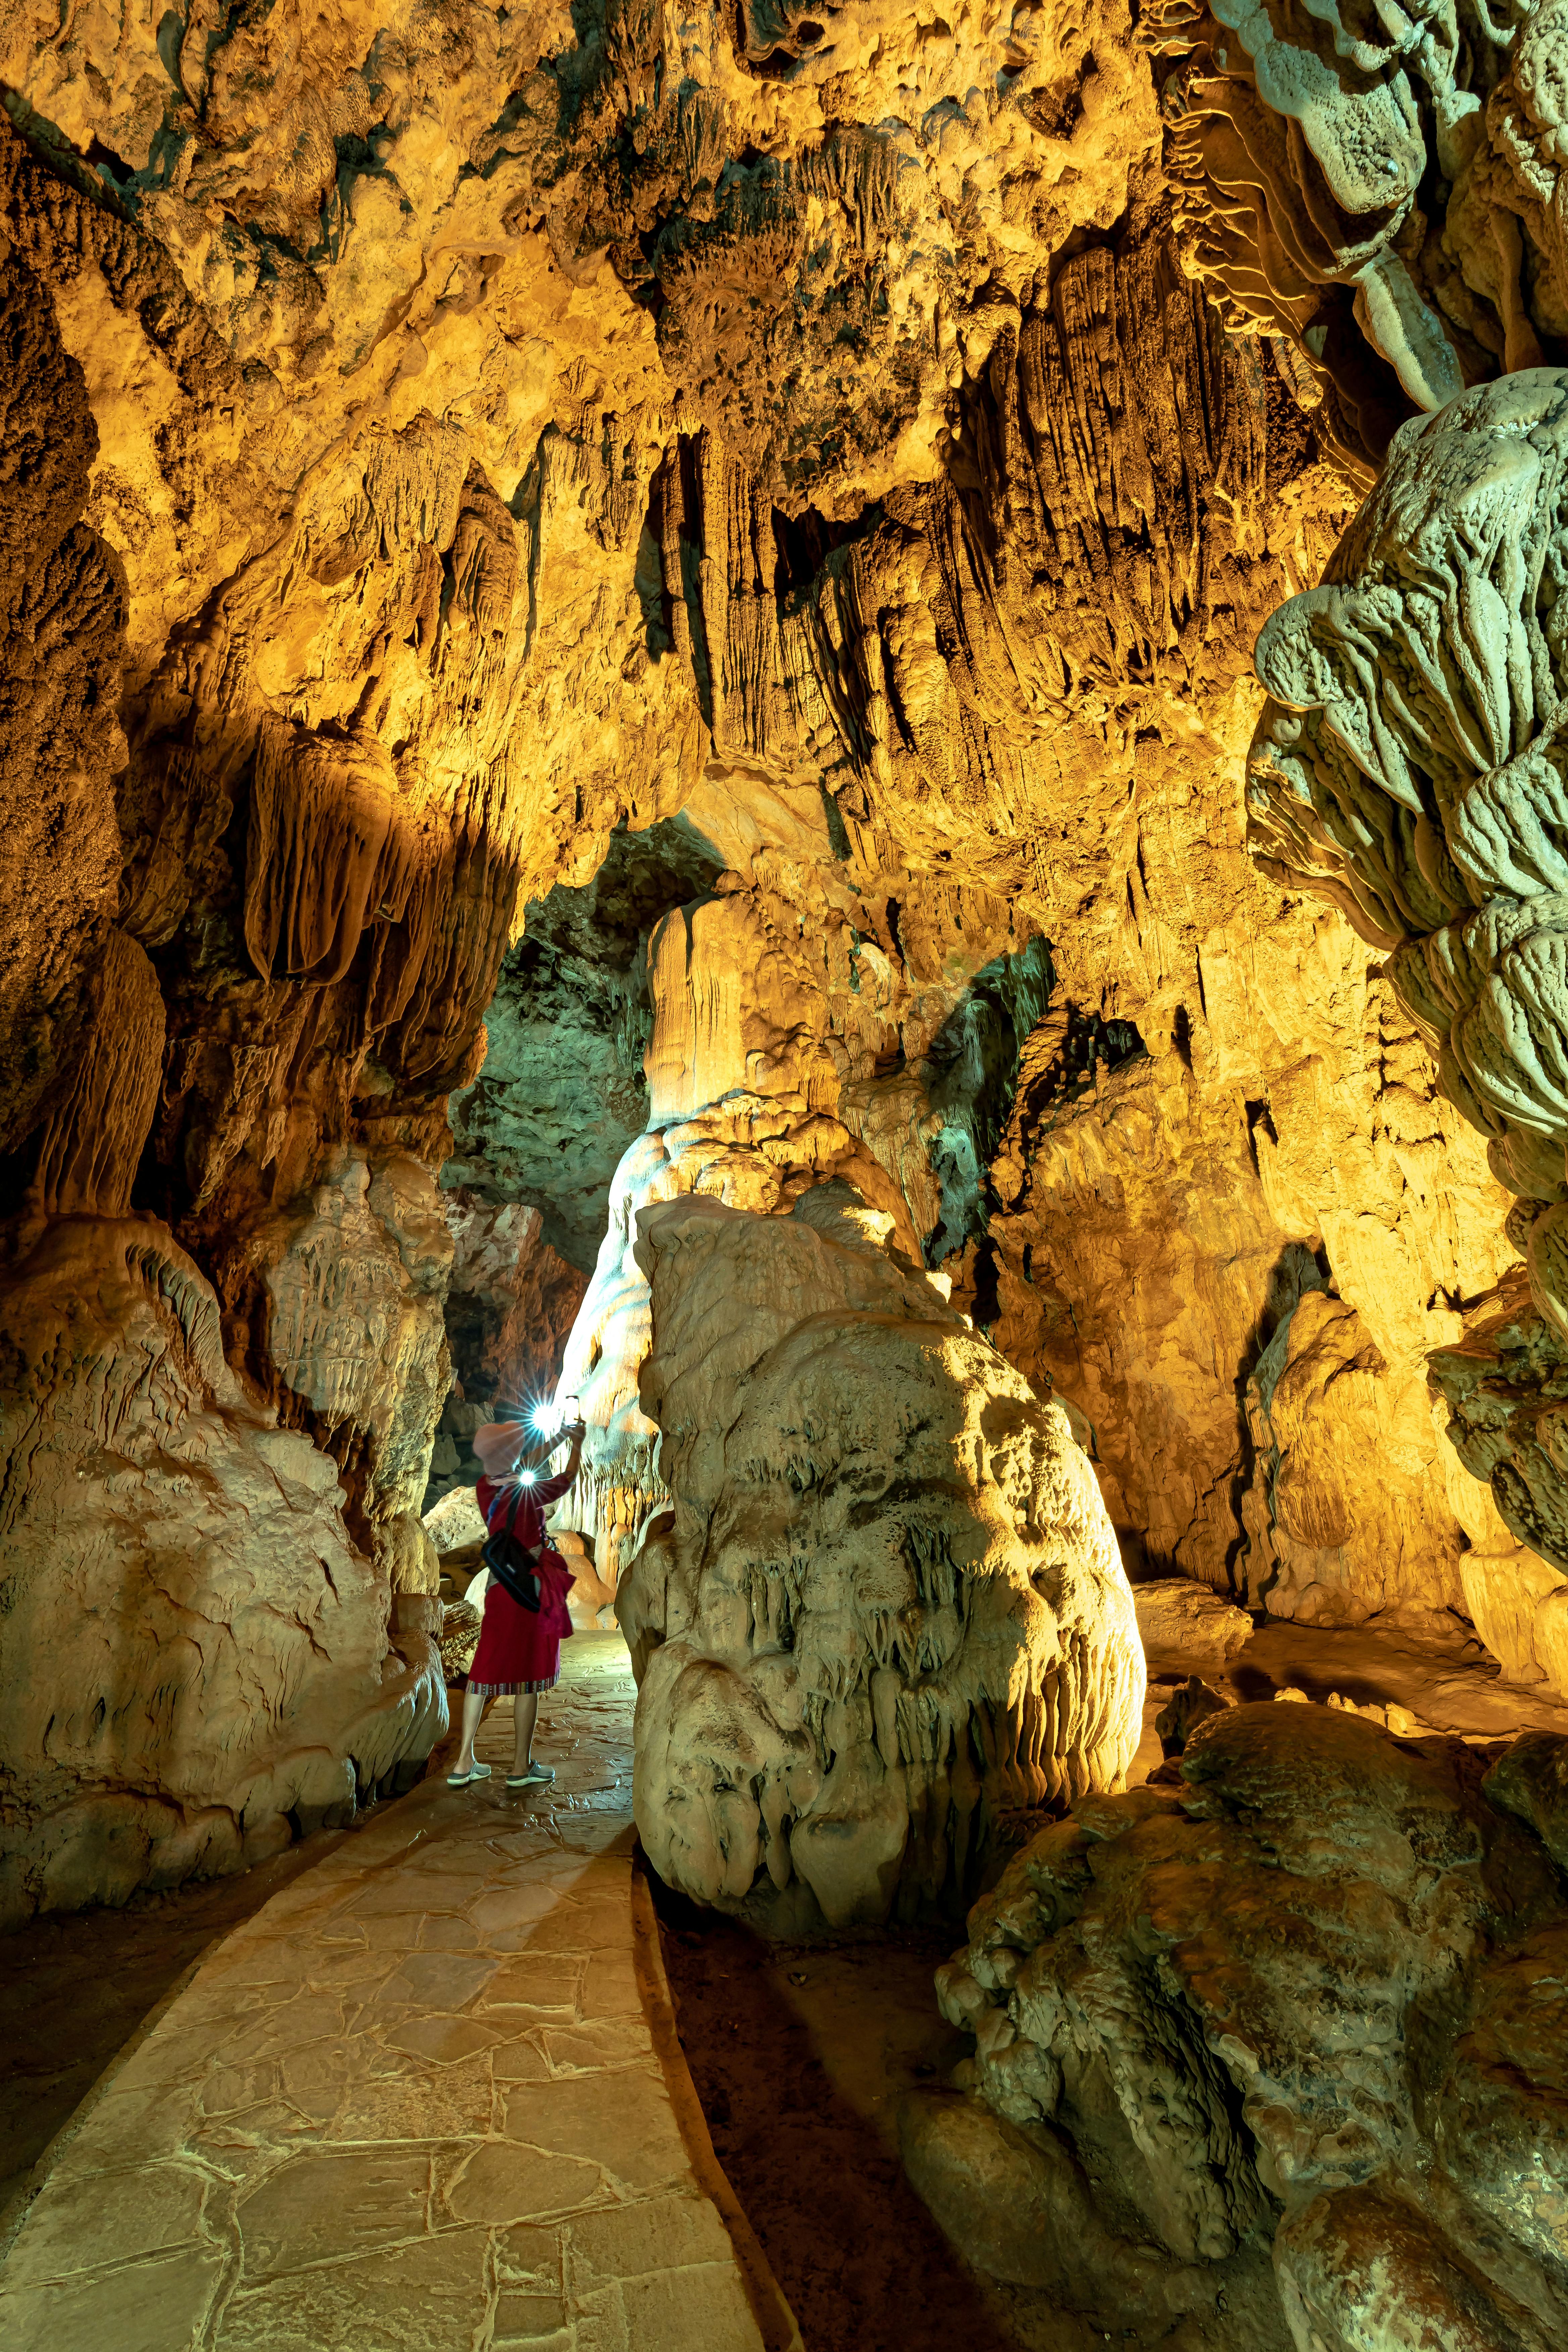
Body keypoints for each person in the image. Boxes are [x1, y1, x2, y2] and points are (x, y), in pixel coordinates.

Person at [446, 1412, 586, 1790]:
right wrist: (575, 1444)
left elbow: (527, 1464)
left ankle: (463, 1763)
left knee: (483, 1671)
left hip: (499, 1586)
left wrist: (558, 1437)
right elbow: (566, 1480)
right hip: (530, 1588)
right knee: (529, 1675)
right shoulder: (528, 1491)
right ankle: (520, 1767)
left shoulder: (484, 1487)